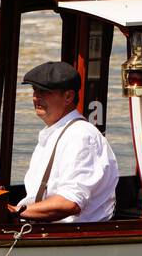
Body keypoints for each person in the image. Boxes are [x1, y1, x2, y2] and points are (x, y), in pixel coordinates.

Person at [14, 61, 118, 223]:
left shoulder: (80, 136)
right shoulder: (57, 133)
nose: (36, 97)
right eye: (35, 90)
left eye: (44, 92)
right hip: (45, 234)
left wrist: (15, 211)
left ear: (68, 96)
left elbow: (70, 203)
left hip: (70, 240)